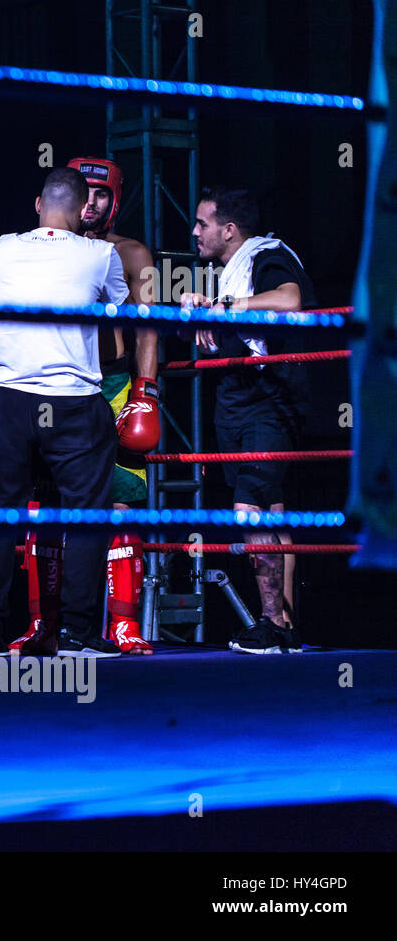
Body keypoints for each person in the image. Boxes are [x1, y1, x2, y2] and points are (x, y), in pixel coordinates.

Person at [0, 167, 126, 658]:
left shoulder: (0, 249)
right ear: (84, 210)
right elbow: (119, 317)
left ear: (38, 205)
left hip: (12, 399)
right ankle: (77, 633)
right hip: (73, 400)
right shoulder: (100, 254)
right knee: (86, 516)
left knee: (0, 511)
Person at [8, 157, 160, 656]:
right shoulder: (38, 250)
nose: (91, 203)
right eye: (85, 193)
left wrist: (146, 391)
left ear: (116, 200)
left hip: (112, 384)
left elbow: (148, 326)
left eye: (102, 194)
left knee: (120, 501)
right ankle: (44, 625)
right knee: (47, 505)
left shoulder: (131, 253)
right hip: (53, 385)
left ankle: (122, 624)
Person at [183, 186, 315, 654]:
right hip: (240, 400)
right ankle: (285, 627)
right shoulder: (230, 274)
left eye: (202, 224)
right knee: (271, 510)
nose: (194, 232)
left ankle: (272, 623)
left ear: (229, 230)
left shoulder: (267, 255)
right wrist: (204, 311)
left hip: (267, 399)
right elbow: (228, 337)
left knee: (250, 507)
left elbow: (290, 299)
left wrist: (225, 308)